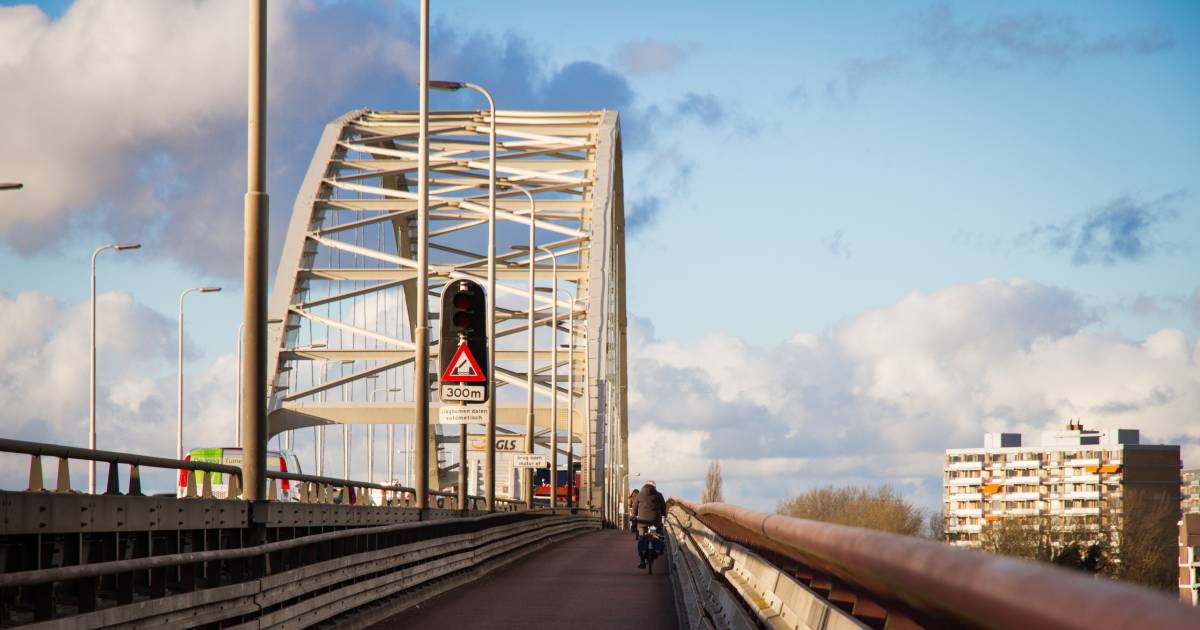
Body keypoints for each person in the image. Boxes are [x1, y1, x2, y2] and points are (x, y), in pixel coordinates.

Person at [631, 480, 666, 568]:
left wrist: (634, 515)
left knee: (641, 539)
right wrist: (664, 514)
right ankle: (660, 549)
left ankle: (642, 561)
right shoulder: (659, 495)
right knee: (659, 534)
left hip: (642, 521)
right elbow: (663, 506)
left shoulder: (640, 495)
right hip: (655, 520)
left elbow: (634, 507)